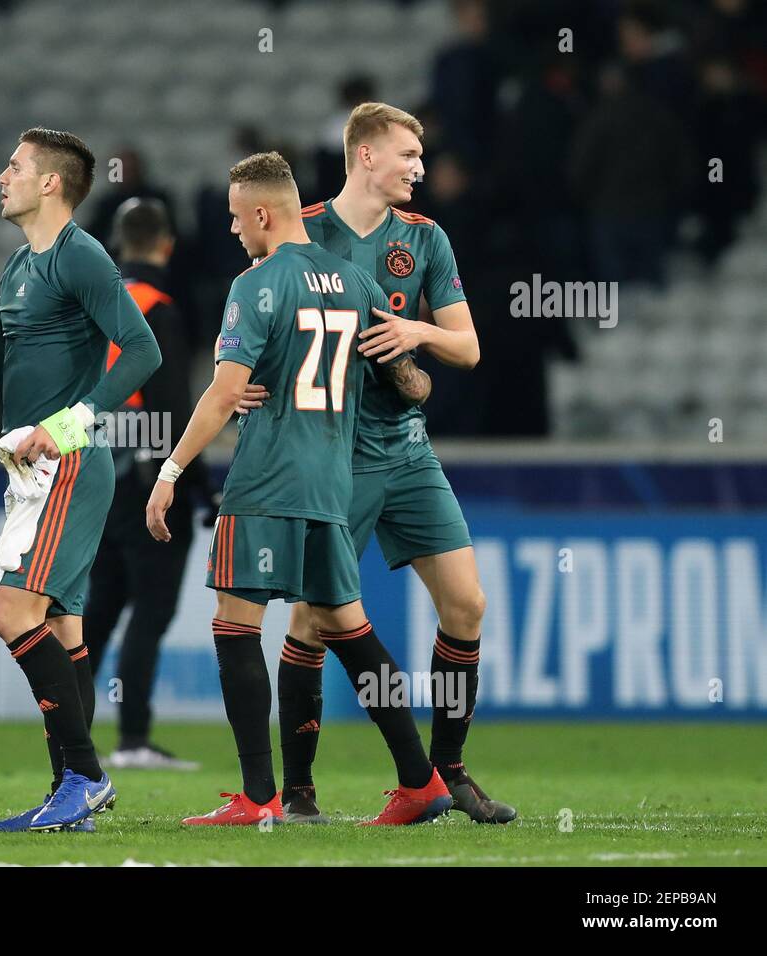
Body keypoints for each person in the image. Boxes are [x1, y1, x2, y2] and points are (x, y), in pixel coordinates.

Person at [146, 151, 446, 826]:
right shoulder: (356, 281)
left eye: (233, 217)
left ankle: (258, 796)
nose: (231, 231)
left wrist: (169, 472)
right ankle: (420, 780)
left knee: (234, 623)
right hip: (332, 483)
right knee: (347, 625)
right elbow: (404, 382)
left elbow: (224, 394)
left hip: (267, 479)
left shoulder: (256, 284)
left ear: (260, 213)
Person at [244, 101, 515, 823]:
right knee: (309, 620)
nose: (419, 170)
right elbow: (259, 317)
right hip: (333, 452)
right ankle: (299, 793)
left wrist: (414, 330)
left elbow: (468, 346)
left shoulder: (424, 240)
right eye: (406, 157)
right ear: (365, 156)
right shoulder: (302, 229)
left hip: (406, 449)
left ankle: (446, 770)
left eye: (420, 159)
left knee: (467, 604)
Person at [0, 128, 161, 832]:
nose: (0, 177)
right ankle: (68, 793)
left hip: (69, 463)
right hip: (29, 470)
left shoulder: (81, 256)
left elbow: (143, 351)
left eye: (13, 166)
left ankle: (84, 775)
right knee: (63, 629)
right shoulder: (20, 264)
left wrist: (73, 423)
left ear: (50, 183)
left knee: (10, 613)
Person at [84, 197, 210, 770]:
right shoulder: (160, 307)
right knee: (150, 613)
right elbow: (178, 411)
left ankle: (67, 734)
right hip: (151, 477)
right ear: (167, 245)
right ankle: (133, 737)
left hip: (95, 470)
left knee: (99, 612)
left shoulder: (97, 306)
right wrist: (200, 488)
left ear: (116, 242)